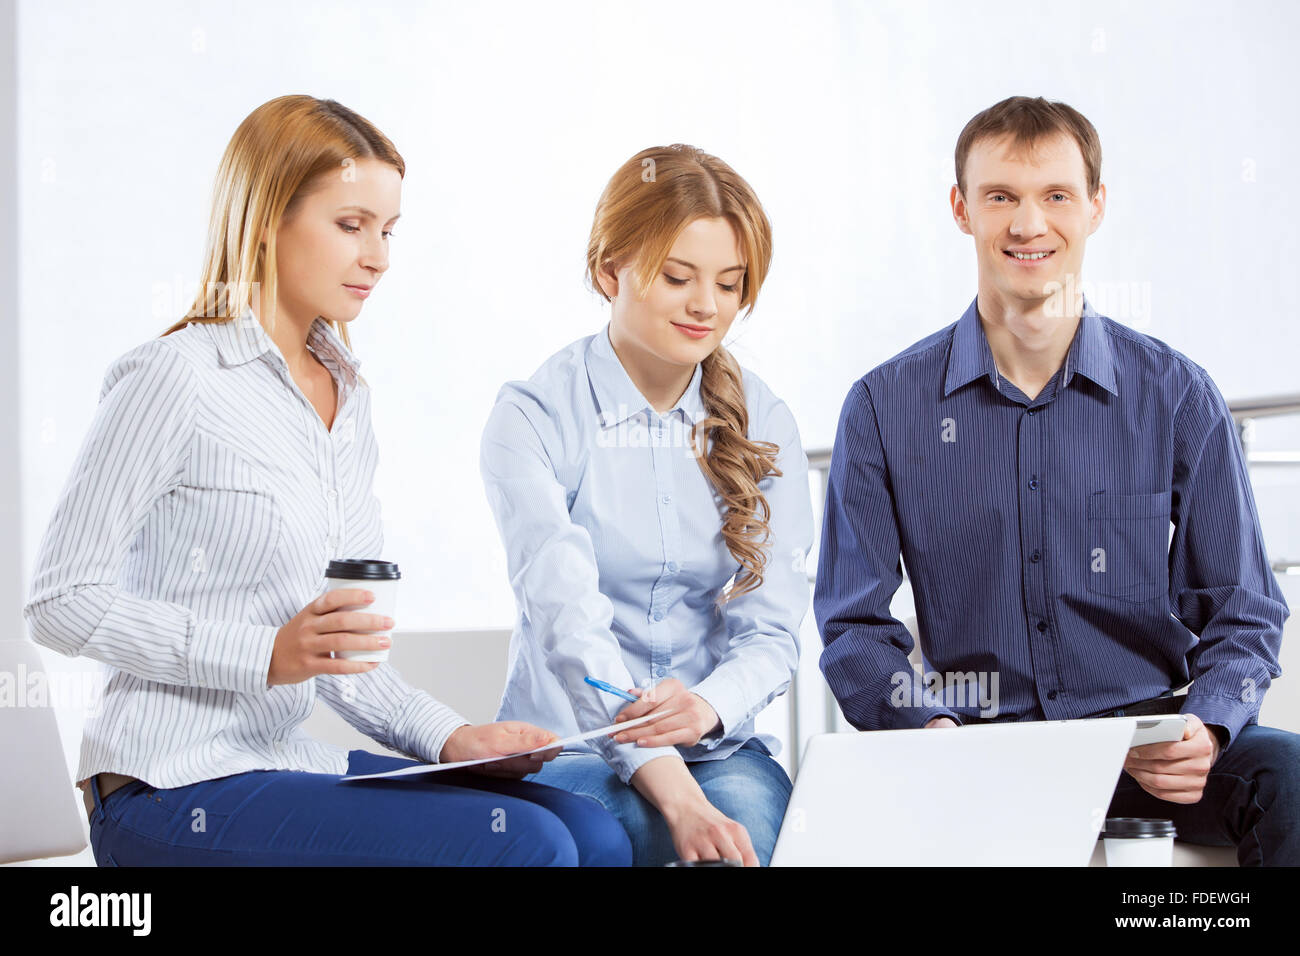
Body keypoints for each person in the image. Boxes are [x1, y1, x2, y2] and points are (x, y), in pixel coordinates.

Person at [23, 94, 631, 867]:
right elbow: (60, 600)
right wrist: (261, 655)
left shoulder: (348, 398)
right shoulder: (173, 377)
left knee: (594, 832)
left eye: (388, 230)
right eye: (351, 225)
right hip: (166, 789)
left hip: (284, 760)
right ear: (268, 217)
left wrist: (453, 737)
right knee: (532, 846)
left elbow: (345, 652)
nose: (378, 256)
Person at [814, 95, 1297, 865]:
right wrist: (930, 728)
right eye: (1000, 196)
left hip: (1143, 742)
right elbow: (853, 627)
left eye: (1056, 197)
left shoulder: (1176, 394)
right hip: (975, 748)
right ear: (961, 209)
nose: (1028, 224)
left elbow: (1242, 609)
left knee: (1290, 774)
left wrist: (1204, 728)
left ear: (1095, 208)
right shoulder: (883, 406)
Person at [479, 144, 813, 866]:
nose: (706, 306)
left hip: (713, 743)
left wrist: (707, 706)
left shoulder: (765, 419)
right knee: (636, 831)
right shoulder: (534, 417)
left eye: (729, 284)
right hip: (567, 742)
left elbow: (773, 630)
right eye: (677, 277)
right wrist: (680, 797)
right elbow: (573, 628)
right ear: (609, 271)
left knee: (753, 831)